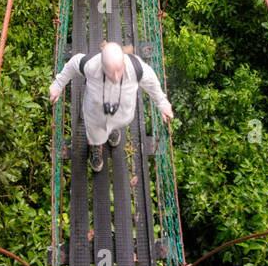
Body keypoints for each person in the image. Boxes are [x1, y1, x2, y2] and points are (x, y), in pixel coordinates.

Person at [49, 39, 174, 172]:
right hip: (95, 114)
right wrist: (58, 85)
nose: (115, 77)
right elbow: (73, 64)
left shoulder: (136, 68)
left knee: (115, 123)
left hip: (120, 114)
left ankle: (111, 129)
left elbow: (152, 83)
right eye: (110, 71)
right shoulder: (92, 65)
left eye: (119, 70)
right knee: (95, 134)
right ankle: (96, 146)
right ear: (102, 64)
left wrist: (162, 103)